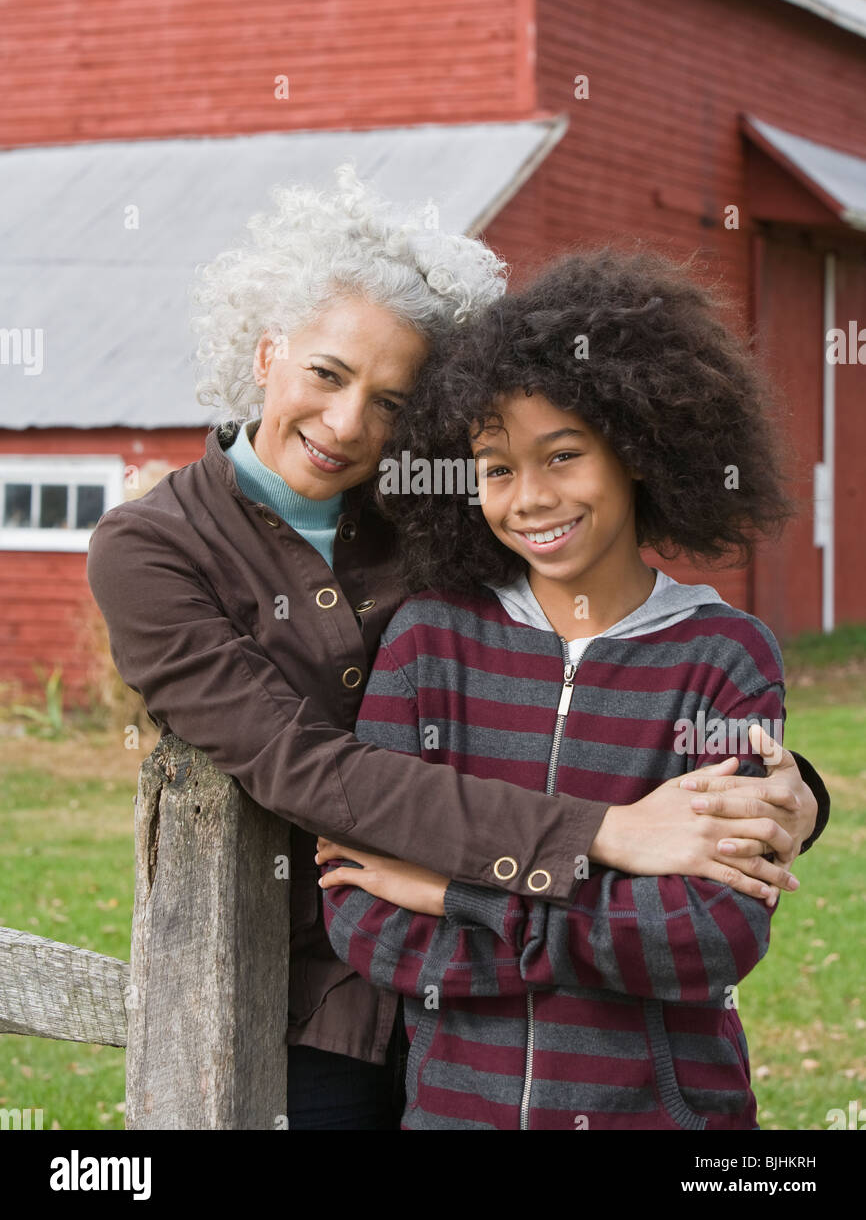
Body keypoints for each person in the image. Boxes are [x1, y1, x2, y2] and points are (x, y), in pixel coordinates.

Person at [86, 173, 827, 1130]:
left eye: (392, 400)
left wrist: (784, 789)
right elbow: (304, 766)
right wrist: (603, 833)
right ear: (268, 350)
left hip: (496, 1013)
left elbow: (607, 697)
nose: (349, 424)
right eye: (325, 373)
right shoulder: (157, 548)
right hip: (315, 992)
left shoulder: (429, 517)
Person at [318, 246, 825, 1130]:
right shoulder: (429, 642)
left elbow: (709, 937)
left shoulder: (723, 656)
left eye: (563, 456)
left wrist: (455, 894)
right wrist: (610, 906)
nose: (531, 500)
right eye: (498, 467)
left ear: (635, 448)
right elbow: (366, 917)